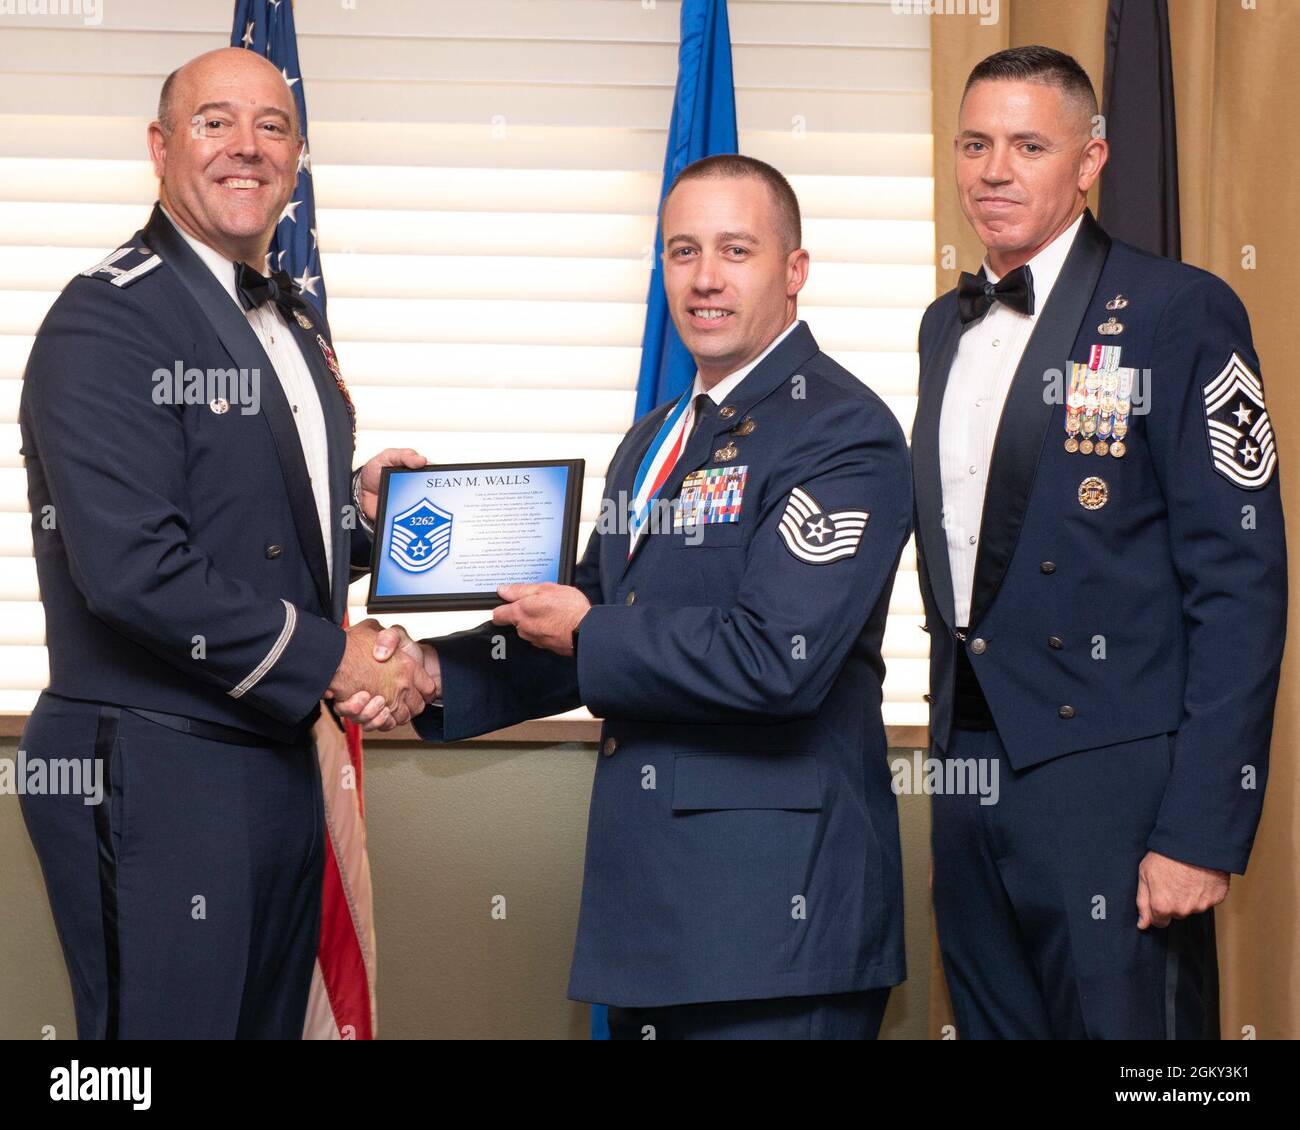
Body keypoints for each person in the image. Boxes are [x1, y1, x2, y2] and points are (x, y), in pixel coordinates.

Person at [341, 155, 913, 1040]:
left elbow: (777, 661)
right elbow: (580, 619)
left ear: (794, 272)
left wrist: (588, 628)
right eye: (683, 252)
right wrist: (428, 673)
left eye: (736, 250)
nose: (706, 278)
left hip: (775, 928)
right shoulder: (655, 440)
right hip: (657, 922)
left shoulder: (844, 431)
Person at [18, 47, 433, 1039]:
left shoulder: (286, 311)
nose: (245, 147)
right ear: (161, 149)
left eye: (272, 126)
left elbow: (247, 531)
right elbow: (132, 568)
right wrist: (335, 656)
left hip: (268, 752)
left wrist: (360, 519)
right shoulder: (107, 318)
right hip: (154, 761)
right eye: (215, 122)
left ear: (297, 155)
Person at [912, 45, 1286, 1039]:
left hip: (1111, 778)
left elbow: (1240, 582)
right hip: (966, 768)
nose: (994, 170)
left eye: (1029, 145)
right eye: (975, 144)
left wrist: (1198, 828)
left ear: (1089, 161)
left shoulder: (1177, 311)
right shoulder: (939, 328)